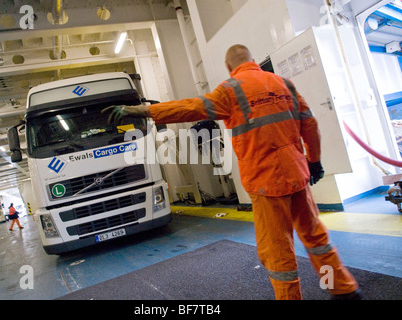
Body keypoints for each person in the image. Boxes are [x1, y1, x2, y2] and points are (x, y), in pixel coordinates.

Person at [107, 44, 361, 300]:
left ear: (229, 67)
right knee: (317, 240)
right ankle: (342, 289)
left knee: (277, 254)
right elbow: (310, 123)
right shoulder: (283, 83)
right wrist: (314, 162)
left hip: (266, 184)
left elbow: (190, 107)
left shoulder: (231, 90)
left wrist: (141, 110)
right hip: (298, 176)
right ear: (252, 60)